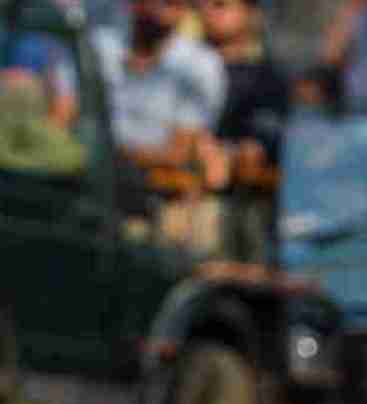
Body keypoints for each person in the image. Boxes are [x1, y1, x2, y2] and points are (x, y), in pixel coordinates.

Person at [93, 0, 230, 250]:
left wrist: (111, 152)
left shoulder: (200, 65)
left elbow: (178, 151)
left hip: (158, 202)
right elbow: (64, 119)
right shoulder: (98, 47)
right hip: (89, 192)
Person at [200, 0, 290, 262]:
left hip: (240, 209)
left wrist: (224, 154)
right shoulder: (184, 66)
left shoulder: (267, 78)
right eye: (203, 5)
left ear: (250, 14)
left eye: (220, 5)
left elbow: (258, 149)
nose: (208, 12)